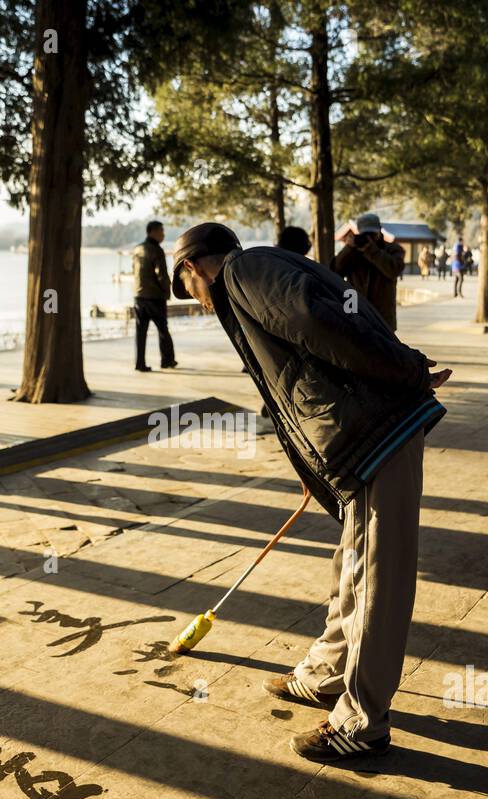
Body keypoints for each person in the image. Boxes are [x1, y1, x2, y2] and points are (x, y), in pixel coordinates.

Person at [171, 222, 451, 762]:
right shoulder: (257, 271)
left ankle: (360, 722)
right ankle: (324, 672)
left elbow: (322, 326)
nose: (198, 304)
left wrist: (409, 369)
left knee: (377, 578)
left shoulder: (244, 272)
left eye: (188, 292)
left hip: (373, 431)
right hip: (354, 437)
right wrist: (310, 457)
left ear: (192, 266)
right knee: (351, 561)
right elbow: (303, 364)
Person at [331, 212, 406, 331]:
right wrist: (348, 248)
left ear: (380, 231)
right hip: (354, 310)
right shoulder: (353, 251)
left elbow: (393, 270)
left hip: (383, 314)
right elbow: (335, 271)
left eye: (372, 233)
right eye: (365, 234)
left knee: (383, 349)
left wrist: (372, 251)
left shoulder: (393, 249)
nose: (369, 238)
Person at [132, 220, 175, 372]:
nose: (163, 234)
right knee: (163, 329)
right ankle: (167, 360)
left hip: (138, 295)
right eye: (161, 231)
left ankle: (140, 363)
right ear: (153, 232)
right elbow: (161, 274)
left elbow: (135, 271)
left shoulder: (137, 249)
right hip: (154, 297)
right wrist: (166, 292)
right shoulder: (156, 250)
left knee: (140, 332)